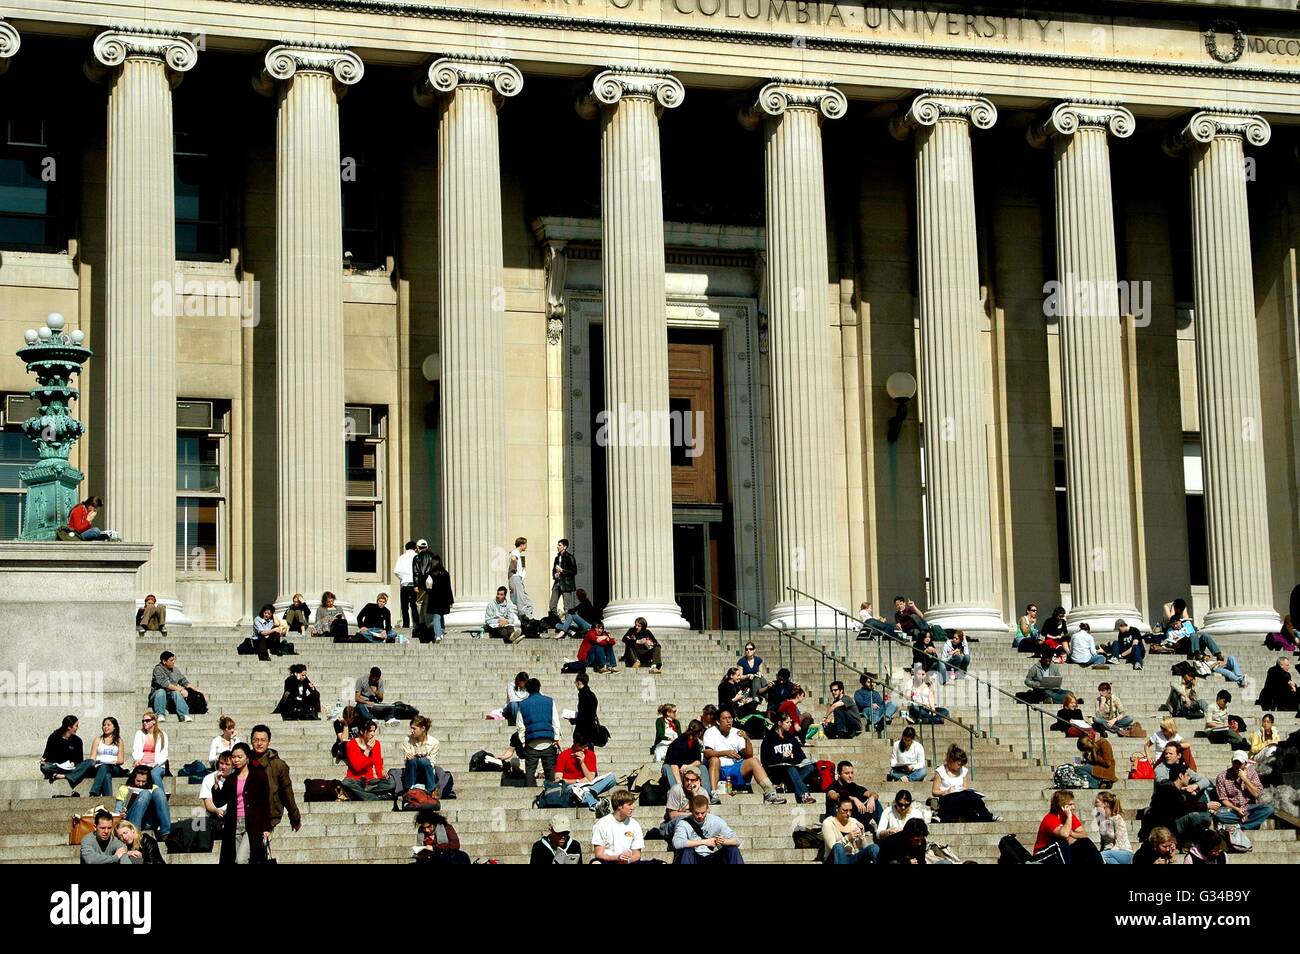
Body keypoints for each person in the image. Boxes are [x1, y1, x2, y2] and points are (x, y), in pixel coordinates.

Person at [701, 709, 786, 804]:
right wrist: (725, 753)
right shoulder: (710, 732)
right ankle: (713, 794)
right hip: (717, 769)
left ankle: (770, 792)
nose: (729, 721)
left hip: (733, 768)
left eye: (730, 718)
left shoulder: (737, 732)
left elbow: (749, 755)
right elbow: (707, 753)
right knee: (714, 760)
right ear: (718, 721)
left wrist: (746, 739)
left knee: (753, 761)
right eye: (725, 718)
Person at [214, 742, 271, 864]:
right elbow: (219, 801)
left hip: (252, 824)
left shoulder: (258, 776)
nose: (236, 760)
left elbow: (264, 802)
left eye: (239, 757)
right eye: (233, 757)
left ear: (247, 758)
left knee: (241, 860)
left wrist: (266, 827)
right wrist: (216, 784)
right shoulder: (231, 779)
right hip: (234, 823)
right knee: (235, 860)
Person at [250, 725, 301, 834]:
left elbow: (287, 793)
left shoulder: (278, 765)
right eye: (256, 740)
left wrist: (295, 818)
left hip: (268, 816)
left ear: (269, 742)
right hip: (244, 815)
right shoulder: (244, 762)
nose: (259, 743)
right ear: (251, 741)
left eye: (263, 740)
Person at [760, 712, 817, 804]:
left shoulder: (791, 737)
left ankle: (788, 785)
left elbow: (801, 755)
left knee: (810, 767)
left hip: (792, 768)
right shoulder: (769, 739)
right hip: (776, 770)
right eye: (787, 722)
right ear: (779, 723)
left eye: (790, 722)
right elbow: (765, 759)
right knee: (790, 768)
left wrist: (793, 756)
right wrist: (781, 756)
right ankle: (804, 795)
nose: (790, 724)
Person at [514, 676, 561, 786]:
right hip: (548, 742)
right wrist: (556, 737)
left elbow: (520, 726)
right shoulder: (549, 701)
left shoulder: (523, 704)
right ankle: (551, 794)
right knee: (550, 773)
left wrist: (523, 741)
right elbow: (555, 721)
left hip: (531, 742)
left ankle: (528, 794)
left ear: (527, 689)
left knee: (530, 772)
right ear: (539, 687)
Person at [932, 745, 997, 823]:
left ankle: (986, 816)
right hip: (947, 798)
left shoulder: (964, 770)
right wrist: (946, 791)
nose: (960, 767)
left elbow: (965, 787)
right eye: (958, 764)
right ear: (951, 760)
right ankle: (986, 816)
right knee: (968, 797)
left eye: (962, 764)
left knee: (972, 796)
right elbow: (934, 791)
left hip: (962, 799)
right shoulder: (940, 771)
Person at [672, 794, 744, 864]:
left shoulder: (716, 821)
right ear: (691, 810)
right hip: (694, 857)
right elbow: (677, 843)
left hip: (714, 857)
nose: (700, 816)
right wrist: (705, 842)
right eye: (697, 813)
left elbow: (737, 841)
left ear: (707, 809)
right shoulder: (684, 823)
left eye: (703, 813)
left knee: (733, 849)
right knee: (687, 851)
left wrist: (724, 841)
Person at [1032, 790, 1102, 863]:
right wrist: (1069, 817)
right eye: (1071, 804)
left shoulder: (1070, 817)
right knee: (1061, 843)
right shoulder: (1050, 818)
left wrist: (1071, 833)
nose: (1074, 807)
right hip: (1041, 855)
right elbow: (1064, 834)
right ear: (1062, 806)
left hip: (1060, 853)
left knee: (1085, 842)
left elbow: (1083, 834)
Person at [1213, 751, 1275, 830]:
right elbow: (1224, 799)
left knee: (1269, 809)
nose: (1237, 766)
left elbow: (1257, 794)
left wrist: (1245, 779)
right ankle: (1251, 823)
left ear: (1245, 764)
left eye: (1240, 763)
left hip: (1249, 808)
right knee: (1218, 814)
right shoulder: (1222, 776)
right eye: (1235, 762)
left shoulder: (1252, 773)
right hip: (1233, 809)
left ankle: (1242, 826)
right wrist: (1236, 809)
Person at [555, 733, 617, 810]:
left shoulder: (590, 754)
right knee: (575, 791)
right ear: (575, 743)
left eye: (585, 746)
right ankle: (595, 803)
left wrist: (582, 763)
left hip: (588, 784)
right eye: (581, 747)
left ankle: (586, 791)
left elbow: (590, 778)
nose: (583, 749)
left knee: (612, 777)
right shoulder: (564, 755)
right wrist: (578, 781)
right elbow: (558, 779)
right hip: (573, 786)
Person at [115, 764, 172, 838]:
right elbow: (117, 811)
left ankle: (165, 832)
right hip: (132, 819)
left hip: (150, 819)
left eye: (144, 781)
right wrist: (121, 814)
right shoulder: (124, 788)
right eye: (138, 781)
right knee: (145, 793)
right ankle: (136, 833)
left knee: (159, 791)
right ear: (133, 778)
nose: (140, 784)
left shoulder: (154, 787)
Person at [591, 790, 645, 864]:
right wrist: (617, 858)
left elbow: (637, 855)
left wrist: (627, 860)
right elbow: (599, 854)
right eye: (629, 805)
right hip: (609, 860)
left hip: (628, 862)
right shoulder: (602, 824)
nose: (633, 807)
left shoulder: (635, 825)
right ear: (619, 806)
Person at [39, 715, 94, 788]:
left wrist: (73, 763)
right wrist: (43, 760)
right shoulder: (54, 737)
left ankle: (63, 776)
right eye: (76, 726)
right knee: (44, 767)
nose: (77, 728)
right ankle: (68, 775)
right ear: (69, 727)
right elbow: (46, 755)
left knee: (90, 762)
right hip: (57, 767)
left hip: (71, 768)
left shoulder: (77, 741)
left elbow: (79, 760)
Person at [824, 760, 881, 828]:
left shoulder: (853, 786)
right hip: (838, 820)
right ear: (839, 773)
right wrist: (853, 799)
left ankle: (882, 830)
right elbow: (832, 795)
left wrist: (871, 797)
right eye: (847, 773)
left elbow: (874, 794)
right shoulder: (833, 786)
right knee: (836, 802)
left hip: (853, 819)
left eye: (852, 773)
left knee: (875, 802)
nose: (850, 776)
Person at [150, 651, 202, 722]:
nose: (173, 662)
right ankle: (160, 714)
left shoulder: (175, 670)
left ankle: (184, 715)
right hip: (158, 697)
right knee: (161, 691)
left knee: (176, 693)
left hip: (170, 698)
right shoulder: (158, 669)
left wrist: (196, 690)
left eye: (174, 660)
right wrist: (180, 689)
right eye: (171, 660)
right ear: (164, 661)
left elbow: (184, 681)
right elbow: (165, 684)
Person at [822, 795, 876, 864]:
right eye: (845, 810)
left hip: (852, 858)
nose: (848, 814)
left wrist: (862, 835)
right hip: (833, 859)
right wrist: (847, 838)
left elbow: (863, 847)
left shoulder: (854, 821)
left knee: (874, 847)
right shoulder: (828, 822)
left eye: (850, 810)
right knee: (838, 847)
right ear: (837, 808)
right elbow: (832, 847)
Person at [341, 721, 389, 799]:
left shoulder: (376, 744)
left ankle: (361, 794)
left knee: (391, 783)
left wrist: (383, 776)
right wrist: (368, 749)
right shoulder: (351, 744)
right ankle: (373, 797)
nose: (373, 734)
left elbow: (378, 765)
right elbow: (358, 767)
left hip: (369, 782)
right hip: (354, 780)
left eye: (374, 731)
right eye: (370, 731)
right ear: (362, 731)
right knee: (346, 783)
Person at [660, 766, 707, 840]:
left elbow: (706, 814)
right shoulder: (676, 789)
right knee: (681, 819)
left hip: (694, 824)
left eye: (692, 780)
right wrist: (693, 815)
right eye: (687, 779)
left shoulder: (702, 792)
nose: (689, 783)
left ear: (698, 781)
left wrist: (695, 794)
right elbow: (672, 815)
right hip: (671, 825)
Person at [663, 719, 710, 792]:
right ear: (699, 733)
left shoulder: (695, 742)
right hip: (674, 769)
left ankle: (707, 793)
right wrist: (680, 785)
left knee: (703, 767)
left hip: (688, 769)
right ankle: (678, 792)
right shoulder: (679, 742)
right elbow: (673, 765)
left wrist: (688, 766)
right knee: (666, 767)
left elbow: (698, 761)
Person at [88, 717, 127, 797]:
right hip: (99, 767)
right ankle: (108, 799)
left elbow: (121, 760)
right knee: (106, 775)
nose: (106, 727)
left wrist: (109, 762)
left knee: (105, 766)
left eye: (108, 725)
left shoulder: (119, 741)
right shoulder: (98, 740)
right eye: (104, 725)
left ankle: (94, 792)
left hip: (114, 767)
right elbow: (92, 759)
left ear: (114, 727)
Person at [402, 715, 441, 793]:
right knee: (413, 760)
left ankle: (431, 790)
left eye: (414, 728)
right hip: (412, 772)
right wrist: (410, 756)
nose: (411, 731)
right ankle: (409, 790)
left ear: (423, 728)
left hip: (426, 773)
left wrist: (425, 757)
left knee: (424, 761)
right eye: (411, 728)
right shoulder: (407, 740)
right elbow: (407, 762)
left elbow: (432, 763)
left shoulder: (434, 742)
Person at [131, 710, 169, 789]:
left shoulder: (162, 735)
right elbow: (136, 750)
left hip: (157, 765)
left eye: (147, 721)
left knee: (154, 774)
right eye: (143, 721)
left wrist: (155, 763)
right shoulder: (139, 733)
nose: (145, 722)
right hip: (142, 763)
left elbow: (164, 754)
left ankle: (161, 796)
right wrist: (137, 759)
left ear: (154, 721)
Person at [422, 554, 454, 642]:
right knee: (441, 615)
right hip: (444, 598)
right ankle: (441, 632)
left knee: (436, 616)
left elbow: (426, 587)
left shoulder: (430, 574)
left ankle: (438, 634)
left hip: (434, 598)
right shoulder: (445, 573)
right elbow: (448, 587)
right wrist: (451, 600)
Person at [200, 750, 233, 825]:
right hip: (214, 817)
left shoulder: (236, 778)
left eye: (227, 764)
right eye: (221, 763)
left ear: (233, 765)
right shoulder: (208, 778)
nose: (223, 767)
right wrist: (216, 811)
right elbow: (208, 802)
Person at [549, 537, 578, 620]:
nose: (557, 547)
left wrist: (562, 570)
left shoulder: (570, 557)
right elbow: (554, 570)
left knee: (567, 606)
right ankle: (555, 621)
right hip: (557, 583)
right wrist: (555, 575)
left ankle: (567, 623)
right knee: (552, 605)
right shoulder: (557, 558)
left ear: (564, 547)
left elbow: (574, 571)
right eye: (558, 545)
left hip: (566, 584)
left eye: (559, 545)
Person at [573, 671, 602, 744]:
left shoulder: (583, 695)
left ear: (579, 682)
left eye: (575, 682)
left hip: (583, 733)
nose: (575, 685)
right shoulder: (592, 695)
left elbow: (584, 715)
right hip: (591, 730)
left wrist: (574, 720)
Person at [393, 540, 417, 628]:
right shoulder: (417, 557)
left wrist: (402, 578)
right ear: (415, 548)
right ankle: (416, 624)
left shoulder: (401, 557)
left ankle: (406, 624)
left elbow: (396, 571)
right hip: (415, 585)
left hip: (405, 585)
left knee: (404, 607)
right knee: (414, 606)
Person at [411, 539, 434, 628]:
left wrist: (416, 585)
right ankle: (430, 621)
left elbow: (416, 572)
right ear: (427, 547)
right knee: (430, 602)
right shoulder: (433, 556)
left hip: (422, 584)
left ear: (417, 548)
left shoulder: (417, 558)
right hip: (432, 583)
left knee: (420, 602)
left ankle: (422, 622)